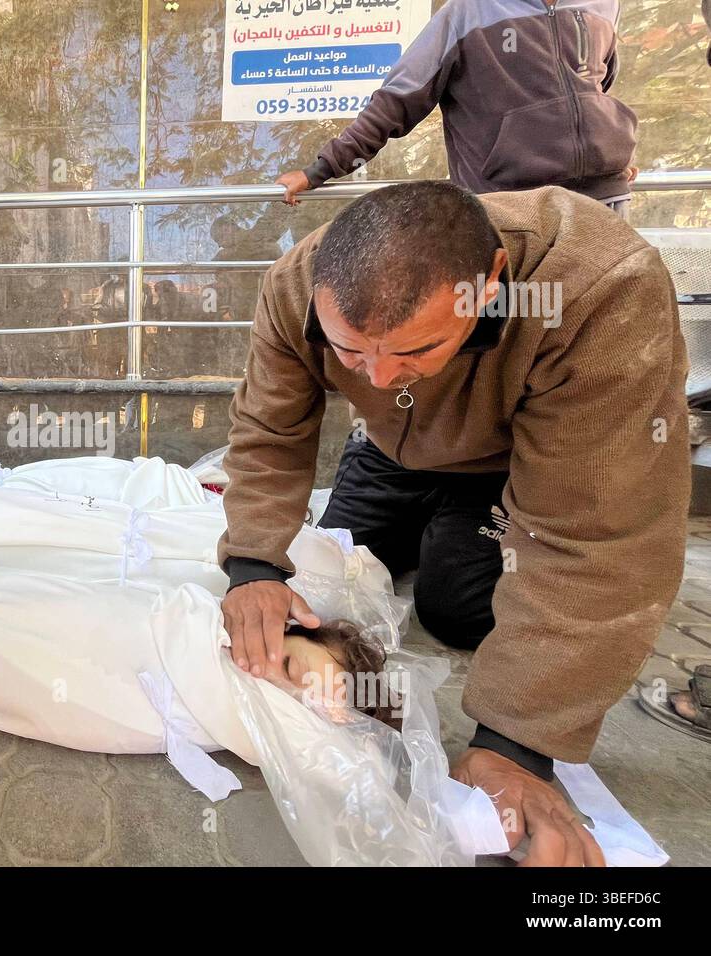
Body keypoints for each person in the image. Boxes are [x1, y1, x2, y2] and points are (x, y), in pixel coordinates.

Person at [217, 181, 688, 866]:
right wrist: (254, 563)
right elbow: (268, 430)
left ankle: (464, 530)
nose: (377, 379)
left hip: (516, 470)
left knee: (457, 603)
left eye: (414, 351)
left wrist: (515, 746)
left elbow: (600, 531)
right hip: (384, 454)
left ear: (490, 286)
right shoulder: (297, 286)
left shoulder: (597, 290)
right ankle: (421, 513)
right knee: (337, 576)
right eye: (351, 353)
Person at [276, 0, 638, 216]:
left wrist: (602, 148)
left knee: (599, 331)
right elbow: (399, 97)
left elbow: (594, 84)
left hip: (603, 199)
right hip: (511, 207)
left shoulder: (602, 4)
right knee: (514, 331)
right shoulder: (468, 12)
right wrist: (320, 170)